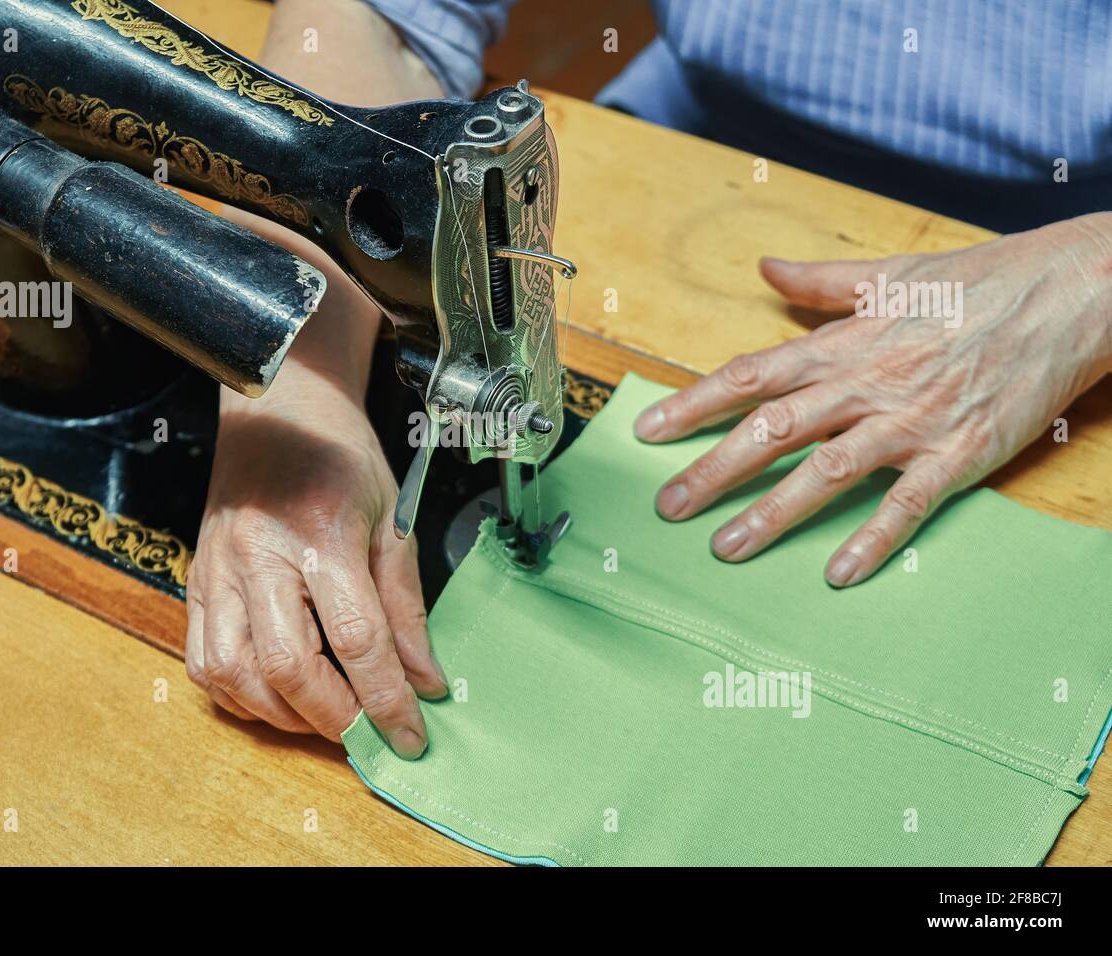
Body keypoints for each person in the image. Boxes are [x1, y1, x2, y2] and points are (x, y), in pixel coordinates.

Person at [185, 0, 1112, 757]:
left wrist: (1085, 277)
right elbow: (375, 20)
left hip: (1058, 236)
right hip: (697, 156)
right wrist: (293, 396)